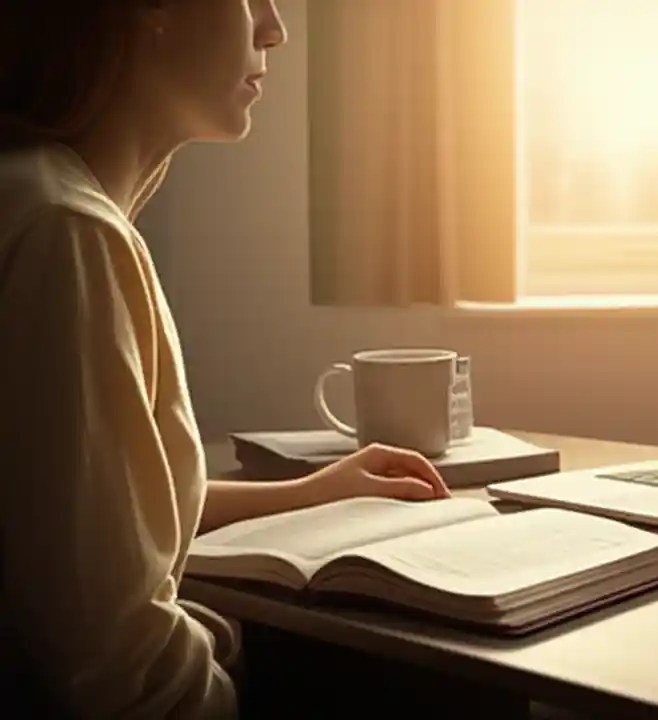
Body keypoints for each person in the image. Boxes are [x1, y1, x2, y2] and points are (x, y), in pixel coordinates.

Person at [0, 1, 451, 716]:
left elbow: (82, 518)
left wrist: (308, 493)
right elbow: (115, 667)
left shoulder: (34, 195)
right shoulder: (66, 233)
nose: (273, 28)